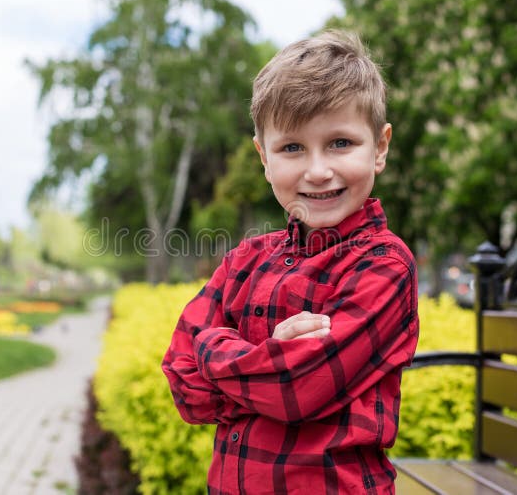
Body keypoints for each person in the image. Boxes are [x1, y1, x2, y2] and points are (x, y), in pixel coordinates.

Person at [162, 30, 419, 495]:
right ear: (264, 157)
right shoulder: (246, 258)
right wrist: (267, 353)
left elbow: (296, 387)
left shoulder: (385, 265)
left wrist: (219, 349)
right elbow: (182, 381)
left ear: (379, 147)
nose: (318, 171)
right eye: (292, 148)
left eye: (341, 143)